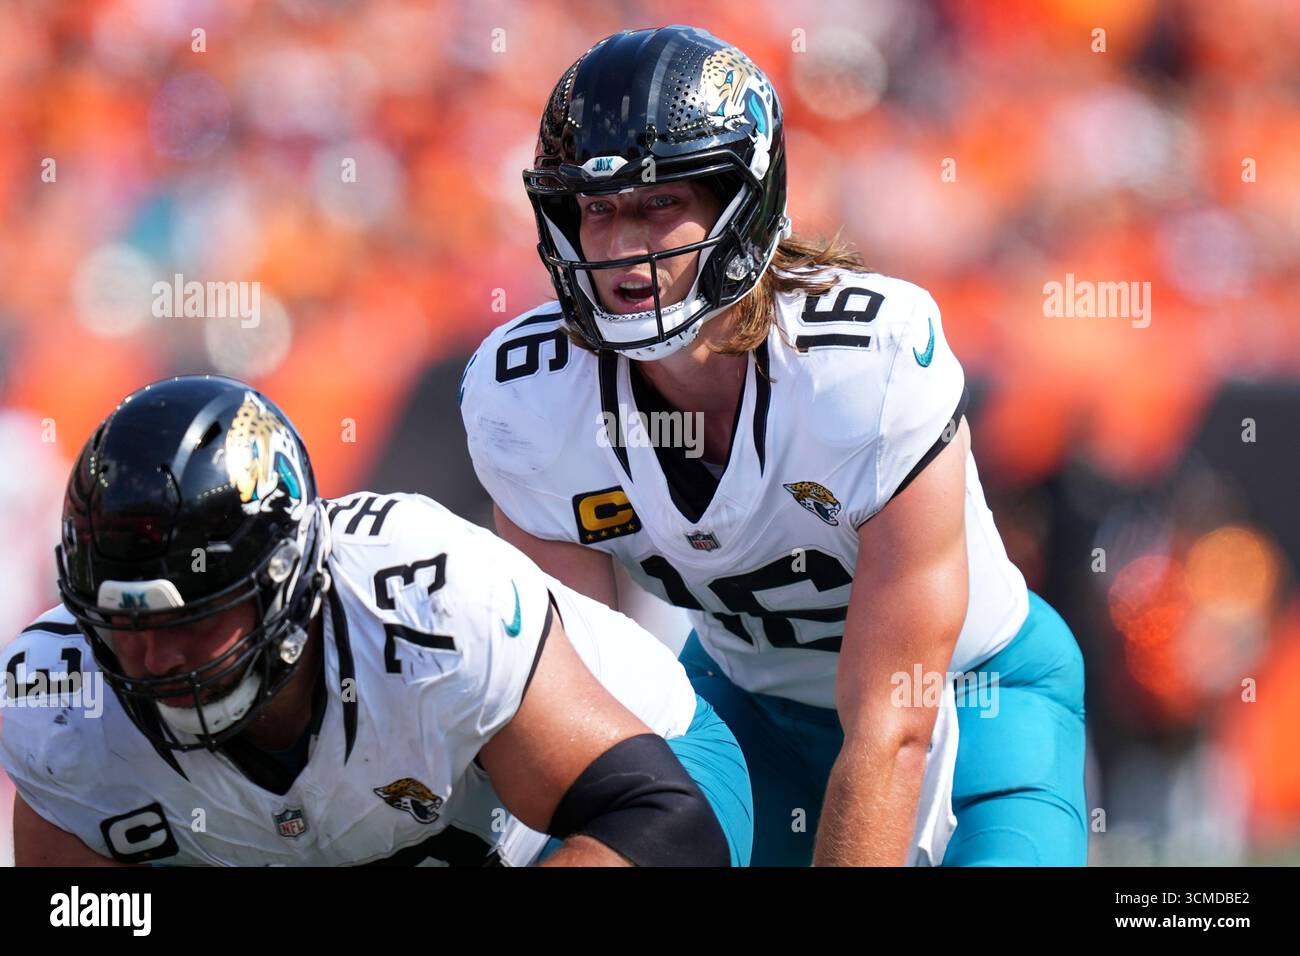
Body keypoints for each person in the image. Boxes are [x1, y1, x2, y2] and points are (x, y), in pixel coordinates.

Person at [460, 25, 1087, 866]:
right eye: (597, 209)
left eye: (659, 204)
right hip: (743, 705)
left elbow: (893, 730)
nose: (618, 248)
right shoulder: (527, 398)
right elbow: (573, 698)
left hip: (968, 699)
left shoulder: (864, 367)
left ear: (740, 201)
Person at [2, 375, 751, 867]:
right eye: (126, 629)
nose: (159, 661)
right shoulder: (58, 705)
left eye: (195, 622)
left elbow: (663, 817)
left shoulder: (427, 605)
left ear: (284, 584)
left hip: (631, 782)